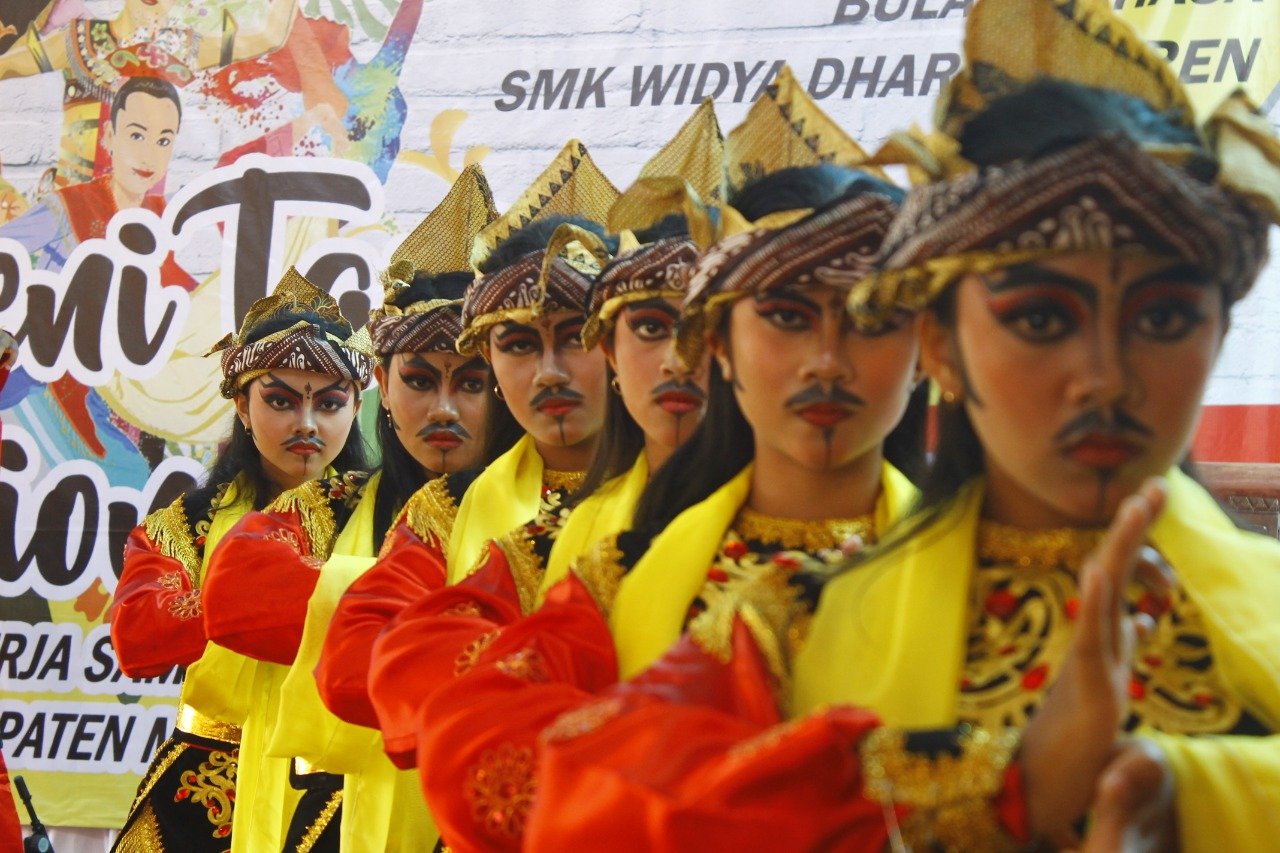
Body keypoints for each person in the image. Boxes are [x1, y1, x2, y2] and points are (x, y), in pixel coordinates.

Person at [529, 0, 1280, 848]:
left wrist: (1200, 791)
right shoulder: (791, 627)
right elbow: (593, 812)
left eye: (1165, 318)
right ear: (942, 346)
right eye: (1040, 318)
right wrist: (1005, 783)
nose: (1105, 378)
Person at [201, 165, 508, 853]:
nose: (444, 409)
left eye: (472, 383)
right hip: (334, 816)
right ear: (383, 386)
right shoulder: (336, 504)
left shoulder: (549, 509)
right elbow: (233, 600)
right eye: (420, 380)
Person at [108, 266, 370, 852]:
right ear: (242, 407)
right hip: (203, 783)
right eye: (280, 401)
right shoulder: (189, 524)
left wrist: (244, 603)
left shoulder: (390, 516)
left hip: (339, 781)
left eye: (329, 403)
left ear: (356, 407)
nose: (307, 424)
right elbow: (138, 634)